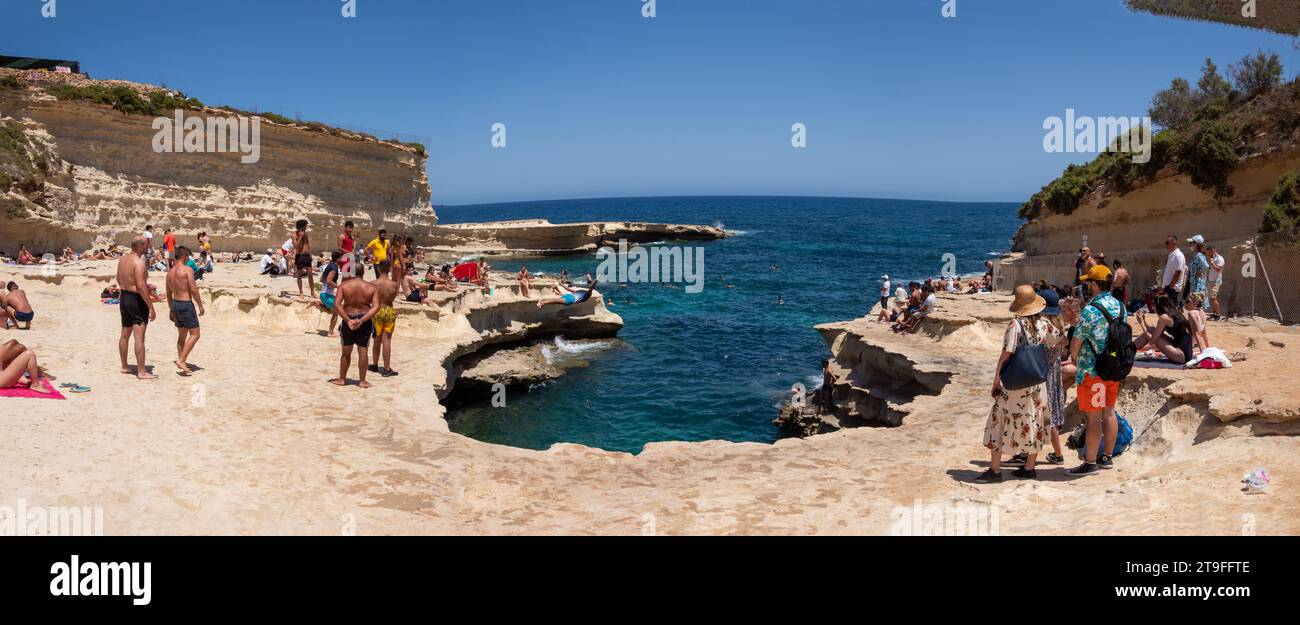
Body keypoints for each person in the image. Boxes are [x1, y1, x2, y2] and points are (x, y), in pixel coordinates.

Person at [975, 285, 1057, 483]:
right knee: (1035, 419)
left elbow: (1007, 353)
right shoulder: (1045, 323)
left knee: (999, 419)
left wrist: (996, 378)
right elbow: (1056, 341)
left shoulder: (1015, 325)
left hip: (1016, 383)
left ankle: (995, 470)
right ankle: (1029, 468)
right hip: (1036, 382)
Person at [1068, 264, 1124, 476]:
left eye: (1088, 282)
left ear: (1094, 284)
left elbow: (1076, 342)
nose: (1087, 286)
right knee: (1109, 413)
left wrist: (1076, 359)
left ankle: (1090, 462)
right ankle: (1106, 457)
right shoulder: (1121, 306)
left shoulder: (1091, 310)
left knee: (1093, 419)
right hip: (1113, 369)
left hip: (1093, 373)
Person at [116, 236, 157, 380]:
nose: (148, 247)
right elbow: (140, 286)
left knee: (125, 334)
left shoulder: (123, 260)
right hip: (136, 300)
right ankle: (141, 371)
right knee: (139, 337)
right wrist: (151, 307)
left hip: (125, 297)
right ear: (140, 246)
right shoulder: (138, 262)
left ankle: (124, 366)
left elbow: (119, 279)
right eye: (146, 245)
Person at [331, 274, 380, 388]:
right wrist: (361, 320)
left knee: (346, 351)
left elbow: (337, 305)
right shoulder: (371, 287)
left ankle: (342, 379)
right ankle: (362, 381)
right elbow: (376, 307)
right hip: (364, 321)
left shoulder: (343, 286)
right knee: (363, 351)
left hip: (348, 319)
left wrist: (348, 321)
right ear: (363, 273)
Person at [166, 246, 204, 375]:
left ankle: (181, 360)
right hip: (186, 304)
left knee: (182, 335)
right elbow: (193, 289)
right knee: (195, 334)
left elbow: (168, 294)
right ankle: (182, 360)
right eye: (187, 256)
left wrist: (171, 309)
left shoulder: (170, 272)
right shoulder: (187, 270)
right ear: (184, 256)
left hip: (176, 304)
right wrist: (200, 305)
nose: (188, 258)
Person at [1134, 293, 1194, 364]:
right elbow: (1155, 332)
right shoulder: (1174, 313)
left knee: (1152, 333)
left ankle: (1127, 349)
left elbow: (1152, 341)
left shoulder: (1164, 318)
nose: (1153, 308)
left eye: (1154, 305)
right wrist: (1144, 322)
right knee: (1152, 329)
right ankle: (1128, 348)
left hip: (1181, 355)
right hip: (1185, 352)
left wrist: (1141, 324)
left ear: (1159, 306)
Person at [368, 271, 400, 377]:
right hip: (389, 310)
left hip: (377, 310)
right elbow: (393, 297)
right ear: (388, 269)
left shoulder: (372, 283)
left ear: (379, 268)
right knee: (386, 340)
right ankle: (386, 368)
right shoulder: (394, 284)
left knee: (377, 338)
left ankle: (374, 365)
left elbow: (369, 298)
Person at [536, 274, 600, 307]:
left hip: (570, 296)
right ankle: (543, 302)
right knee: (556, 301)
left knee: (556, 301)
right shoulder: (587, 294)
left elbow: (569, 289)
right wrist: (596, 281)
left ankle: (543, 302)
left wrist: (561, 284)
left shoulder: (584, 292)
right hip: (571, 298)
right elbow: (591, 288)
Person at [320, 251, 342, 337]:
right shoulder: (334, 268)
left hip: (326, 293)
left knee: (335, 311)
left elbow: (322, 279)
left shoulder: (329, 265)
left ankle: (319, 306)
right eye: (340, 258)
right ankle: (330, 332)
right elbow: (329, 281)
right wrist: (338, 286)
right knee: (336, 312)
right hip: (326, 294)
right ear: (337, 259)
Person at [292, 219, 315, 297]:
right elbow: (295, 246)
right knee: (299, 275)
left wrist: (310, 254)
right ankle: (301, 292)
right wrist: (301, 237)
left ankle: (312, 292)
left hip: (307, 256)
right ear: (301, 226)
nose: (306, 227)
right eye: (305, 226)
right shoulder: (294, 235)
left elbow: (307, 244)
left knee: (310, 275)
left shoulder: (306, 233)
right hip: (300, 256)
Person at [1161, 234, 1186, 301]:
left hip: (1172, 289)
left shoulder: (1178, 255)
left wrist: (1170, 287)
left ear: (1173, 243)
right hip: (1168, 288)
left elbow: (1178, 272)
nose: (1166, 244)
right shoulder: (1171, 255)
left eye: (1167, 243)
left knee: (1170, 310)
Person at [1186, 235, 1209, 306]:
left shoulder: (1199, 255)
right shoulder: (1198, 254)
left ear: (1196, 244)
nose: (1190, 244)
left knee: (1197, 304)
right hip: (1195, 283)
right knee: (1197, 304)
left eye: (1191, 243)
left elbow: (1206, 266)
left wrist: (1199, 270)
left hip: (1197, 283)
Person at [1206, 244, 1226, 319]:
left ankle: (1218, 315)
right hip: (1211, 280)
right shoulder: (1213, 258)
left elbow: (1218, 269)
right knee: (1211, 298)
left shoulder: (1220, 258)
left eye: (1209, 252)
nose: (1208, 254)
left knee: (1213, 298)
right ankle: (1214, 314)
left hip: (1216, 281)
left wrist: (1212, 263)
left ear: (1213, 250)